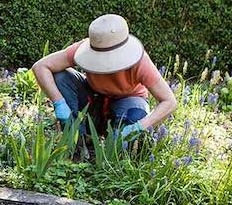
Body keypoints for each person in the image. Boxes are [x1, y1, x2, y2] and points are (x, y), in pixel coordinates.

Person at [31, 13, 176, 140]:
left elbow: (169, 101)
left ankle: (114, 148)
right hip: (92, 97)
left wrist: (139, 126)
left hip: (128, 100)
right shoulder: (81, 49)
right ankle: (77, 140)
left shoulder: (140, 61)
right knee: (61, 77)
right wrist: (59, 103)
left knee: (133, 121)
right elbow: (40, 67)